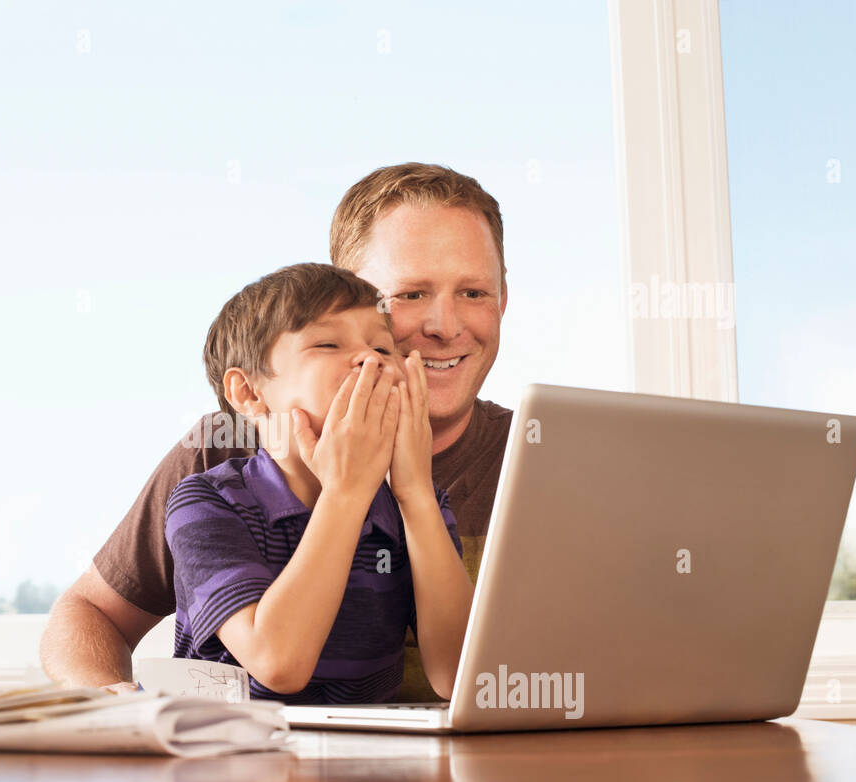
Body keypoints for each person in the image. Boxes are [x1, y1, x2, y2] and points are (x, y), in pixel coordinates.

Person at [41, 162, 514, 698]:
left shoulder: (527, 463)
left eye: (473, 292)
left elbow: (467, 676)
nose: (444, 326)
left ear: (503, 299)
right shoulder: (219, 460)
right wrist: (106, 702)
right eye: (409, 295)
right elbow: (91, 614)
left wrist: (413, 496)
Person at [166, 263, 472, 702]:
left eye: (384, 350)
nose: (369, 359)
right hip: (230, 756)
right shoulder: (208, 502)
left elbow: (461, 678)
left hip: (364, 759)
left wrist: (416, 494)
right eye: (328, 343)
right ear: (249, 393)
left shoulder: (414, 508)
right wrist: (345, 493)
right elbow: (279, 664)